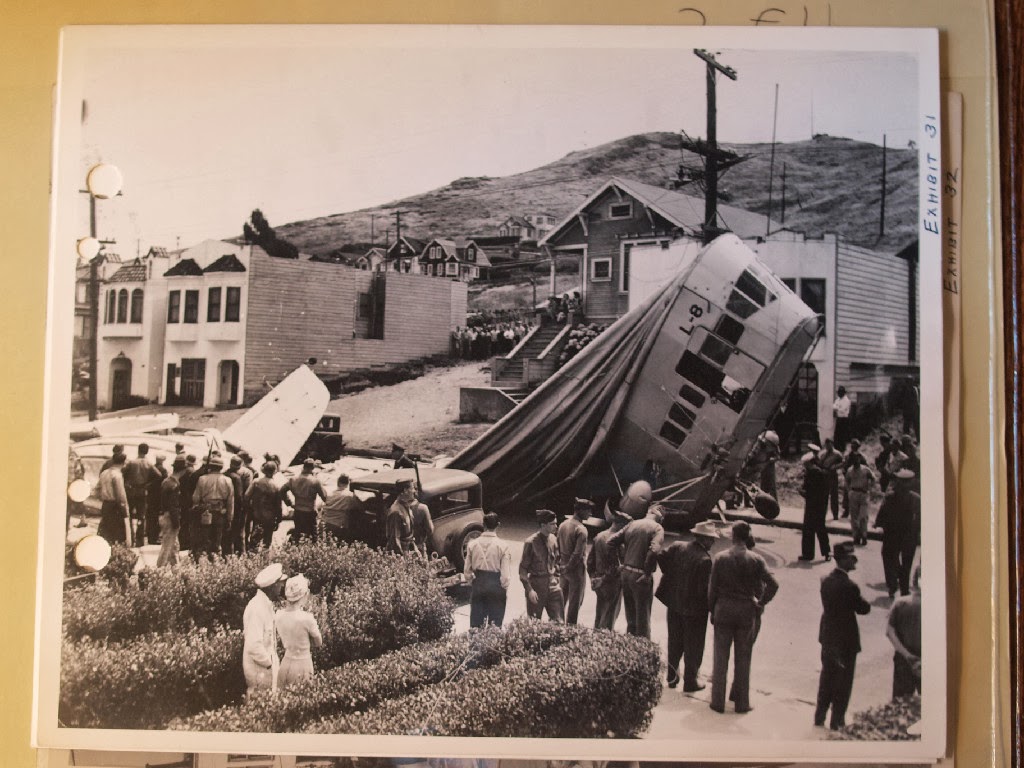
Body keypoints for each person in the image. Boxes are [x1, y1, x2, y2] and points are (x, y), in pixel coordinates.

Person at [708, 522, 779, 714]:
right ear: (748, 537)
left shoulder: (720, 558)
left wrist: (712, 610)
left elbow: (712, 588)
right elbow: (773, 584)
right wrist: (761, 602)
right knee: (743, 658)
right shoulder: (757, 559)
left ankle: (717, 701)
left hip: (724, 608)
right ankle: (741, 703)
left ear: (733, 536)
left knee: (720, 657)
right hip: (746, 610)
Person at [814, 541, 871, 730]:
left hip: (828, 635)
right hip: (846, 639)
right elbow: (863, 608)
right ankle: (837, 720)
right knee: (843, 682)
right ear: (844, 560)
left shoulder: (825, 580)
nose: (854, 561)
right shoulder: (850, 586)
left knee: (827, 677)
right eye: (851, 558)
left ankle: (820, 715)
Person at [656, 519, 718, 691]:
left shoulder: (678, 546)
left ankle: (672, 677)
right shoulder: (705, 560)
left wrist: (670, 575)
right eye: (711, 539)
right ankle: (690, 681)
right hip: (694, 610)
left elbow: (660, 557)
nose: (713, 542)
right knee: (694, 645)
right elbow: (703, 590)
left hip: (674, 602)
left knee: (674, 641)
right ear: (703, 539)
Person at [607, 503, 665, 639]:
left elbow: (610, 542)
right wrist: (647, 573)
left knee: (631, 617)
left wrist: (619, 564)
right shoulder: (657, 528)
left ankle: (631, 648)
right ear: (659, 517)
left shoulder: (632, 524)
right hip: (640, 576)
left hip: (626, 574)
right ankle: (643, 654)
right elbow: (654, 551)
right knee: (643, 619)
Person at [875, 469, 921, 597]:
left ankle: (893, 585)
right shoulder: (915, 498)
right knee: (905, 563)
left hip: (893, 534)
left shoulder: (890, 496)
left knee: (890, 558)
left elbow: (882, 512)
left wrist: (879, 524)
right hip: (907, 535)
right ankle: (903, 588)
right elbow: (920, 518)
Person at [463, 512, 513, 627]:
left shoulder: (472, 544)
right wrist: (503, 586)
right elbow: (505, 576)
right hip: (496, 586)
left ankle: (475, 644)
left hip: (479, 584)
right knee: (495, 623)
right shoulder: (503, 546)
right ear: (498, 525)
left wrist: (472, 581)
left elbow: (467, 571)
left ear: (483, 525)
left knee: (476, 623)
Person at [243, 563, 286, 694]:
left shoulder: (265, 605)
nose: (282, 587)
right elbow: (254, 645)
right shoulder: (257, 608)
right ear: (272, 586)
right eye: (280, 583)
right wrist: (270, 664)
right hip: (260, 671)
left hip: (266, 670)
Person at [275, 573, 323, 689]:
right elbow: (318, 642)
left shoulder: (278, 615)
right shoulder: (306, 618)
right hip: (303, 664)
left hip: (285, 663)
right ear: (304, 595)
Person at [519, 509, 564, 622]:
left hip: (552, 585)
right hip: (537, 586)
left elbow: (558, 561)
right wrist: (529, 590)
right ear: (543, 525)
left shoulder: (553, 539)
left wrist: (557, 577)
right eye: (552, 524)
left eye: (556, 523)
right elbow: (522, 570)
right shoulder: (531, 542)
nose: (556, 526)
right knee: (534, 622)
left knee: (558, 621)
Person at [587, 510, 629, 631]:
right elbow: (615, 566)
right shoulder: (618, 541)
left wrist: (593, 578)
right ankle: (603, 641)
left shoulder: (599, 536)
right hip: (612, 582)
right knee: (610, 615)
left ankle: (596, 635)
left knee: (600, 612)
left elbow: (590, 561)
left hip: (598, 580)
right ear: (621, 524)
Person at [887, 563, 922, 698]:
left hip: (904, 660)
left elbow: (889, 632)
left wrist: (907, 655)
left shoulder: (900, 603)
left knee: (899, 703)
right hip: (928, 660)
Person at [191, 453, 234, 560]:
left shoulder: (202, 479)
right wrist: (229, 518)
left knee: (204, 538)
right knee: (217, 540)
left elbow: (195, 498)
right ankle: (214, 560)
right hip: (220, 513)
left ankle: (202, 561)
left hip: (205, 513)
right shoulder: (227, 480)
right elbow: (230, 501)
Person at [557, 498, 591, 625]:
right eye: (588, 510)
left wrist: (561, 566)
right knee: (575, 602)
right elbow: (577, 554)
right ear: (580, 511)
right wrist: (569, 567)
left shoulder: (563, 525)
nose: (590, 514)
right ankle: (570, 628)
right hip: (576, 570)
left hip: (563, 567)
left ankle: (557, 624)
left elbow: (558, 547)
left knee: (562, 598)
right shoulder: (581, 529)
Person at [122, 442, 161, 546]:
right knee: (141, 516)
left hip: (131, 491)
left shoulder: (132, 463)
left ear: (138, 450)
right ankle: (140, 540)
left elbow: (123, 472)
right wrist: (148, 484)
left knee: (129, 515)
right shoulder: (148, 463)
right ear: (147, 451)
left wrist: (127, 482)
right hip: (142, 491)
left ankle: (130, 538)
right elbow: (159, 475)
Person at [799, 446, 832, 562]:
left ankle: (808, 554)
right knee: (820, 528)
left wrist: (802, 492)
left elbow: (811, 491)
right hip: (820, 505)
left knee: (809, 528)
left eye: (805, 464)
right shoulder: (818, 472)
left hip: (813, 504)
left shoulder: (813, 473)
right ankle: (826, 552)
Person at [281, 458, 327, 543]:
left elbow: (282, 490)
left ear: (303, 467)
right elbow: (324, 496)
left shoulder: (293, 479)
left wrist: (289, 503)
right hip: (310, 510)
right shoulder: (315, 481)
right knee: (313, 536)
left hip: (298, 510)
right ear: (312, 468)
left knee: (298, 534)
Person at [156, 455, 187, 567]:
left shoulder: (166, 481)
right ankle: (159, 569)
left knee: (174, 546)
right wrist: (176, 522)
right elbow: (173, 506)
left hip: (164, 515)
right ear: (183, 470)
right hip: (170, 517)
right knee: (167, 547)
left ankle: (176, 569)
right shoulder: (174, 484)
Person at [246, 461, 283, 550]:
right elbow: (278, 505)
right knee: (267, 542)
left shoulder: (256, 482)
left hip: (257, 515)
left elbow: (246, 496)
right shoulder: (276, 486)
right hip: (270, 517)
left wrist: (250, 509)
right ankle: (265, 560)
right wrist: (279, 519)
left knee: (255, 540)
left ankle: (252, 558)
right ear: (274, 471)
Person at [96, 451, 130, 546]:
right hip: (115, 506)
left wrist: (103, 496)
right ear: (123, 463)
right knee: (116, 533)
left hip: (105, 505)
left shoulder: (104, 473)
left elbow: (97, 489)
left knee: (105, 531)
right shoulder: (117, 475)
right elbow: (121, 495)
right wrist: (125, 508)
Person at [321, 473, 362, 544]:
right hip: (339, 525)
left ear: (338, 483)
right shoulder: (349, 496)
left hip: (326, 523)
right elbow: (359, 507)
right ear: (348, 483)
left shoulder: (330, 494)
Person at [845, 452, 876, 546]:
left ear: (860, 459)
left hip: (863, 493)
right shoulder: (850, 470)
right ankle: (856, 537)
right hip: (854, 493)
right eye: (853, 459)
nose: (856, 461)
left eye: (857, 459)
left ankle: (864, 536)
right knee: (854, 517)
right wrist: (849, 491)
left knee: (863, 516)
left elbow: (873, 478)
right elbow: (847, 481)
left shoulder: (865, 470)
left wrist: (870, 488)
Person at [386, 479, 420, 555]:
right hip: (401, 555)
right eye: (412, 488)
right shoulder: (396, 512)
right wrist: (403, 560)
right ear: (405, 490)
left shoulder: (406, 507)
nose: (414, 491)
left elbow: (409, 536)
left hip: (409, 552)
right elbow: (395, 541)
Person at [223, 456, 247, 555]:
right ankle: (234, 554)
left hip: (224, 507)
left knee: (225, 534)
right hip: (235, 509)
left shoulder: (224, 474)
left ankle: (225, 554)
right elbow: (239, 496)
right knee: (235, 534)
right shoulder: (236, 478)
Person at [819, 438, 844, 520]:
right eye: (826, 444)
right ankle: (822, 514)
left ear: (832, 444)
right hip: (824, 476)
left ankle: (835, 515)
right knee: (823, 496)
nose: (827, 446)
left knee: (834, 496)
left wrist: (835, 467)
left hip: (833, 476)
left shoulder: (837, 454)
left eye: (829, 444)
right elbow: (820, 463)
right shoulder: (823, 454)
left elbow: (843, 463)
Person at [147, 453, 168, 542]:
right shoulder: (163, 470)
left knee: (151, 516)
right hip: (159, 496)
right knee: (158, 517)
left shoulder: (151, 469)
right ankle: (156, 536)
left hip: (151, 495)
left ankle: (150, 536)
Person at [832, 386, 852, 451]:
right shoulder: (838, 399)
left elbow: (843, 409)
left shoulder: (847, 400)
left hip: (844, 419)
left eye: (841, 392)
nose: (839, 394)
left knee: (843, 435)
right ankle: (836, 449)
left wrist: (838, 407)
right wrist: (838, 407)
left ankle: (842, 449)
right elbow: (833, 406)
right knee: (837, 435)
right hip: (839, 419)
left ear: (843, 393)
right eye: (839, 392)